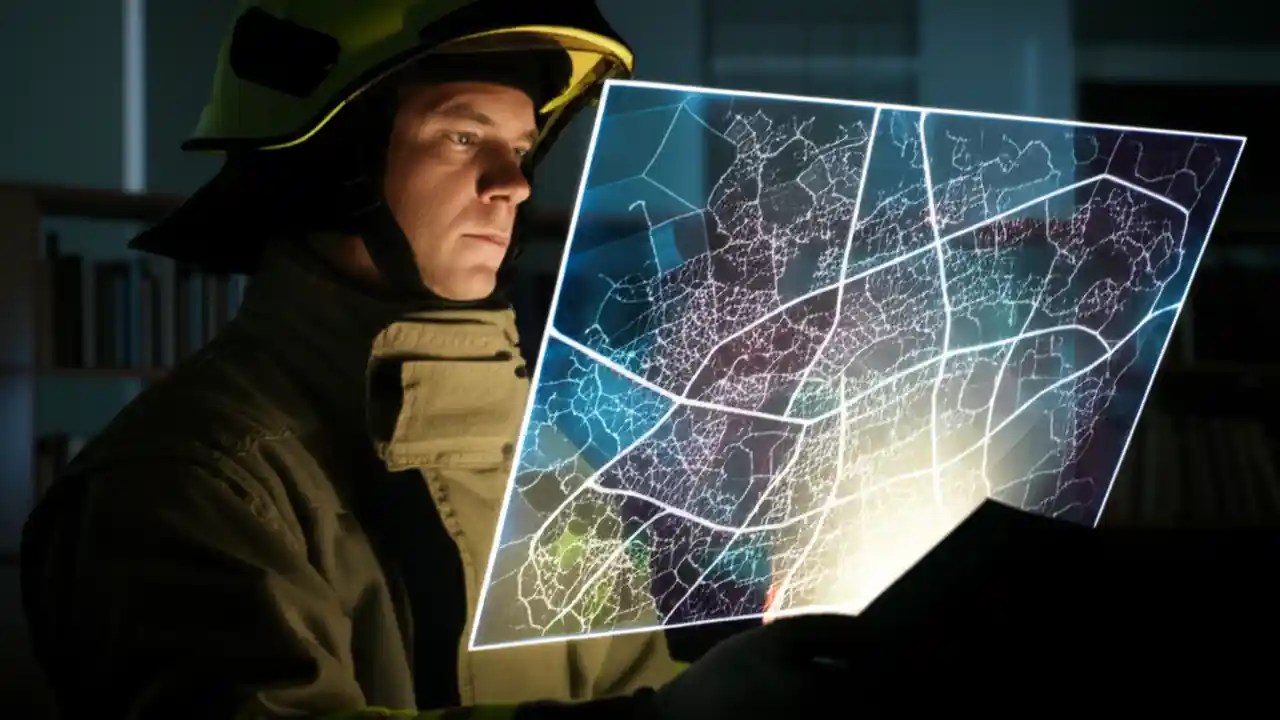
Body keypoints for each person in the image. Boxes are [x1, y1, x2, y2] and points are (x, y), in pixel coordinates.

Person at [19, 2, 866, 718]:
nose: (514, 184)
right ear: (329, 165)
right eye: (463, 136)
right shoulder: (187, 484)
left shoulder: (542, 465)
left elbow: (631, 687)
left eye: (523, 149)